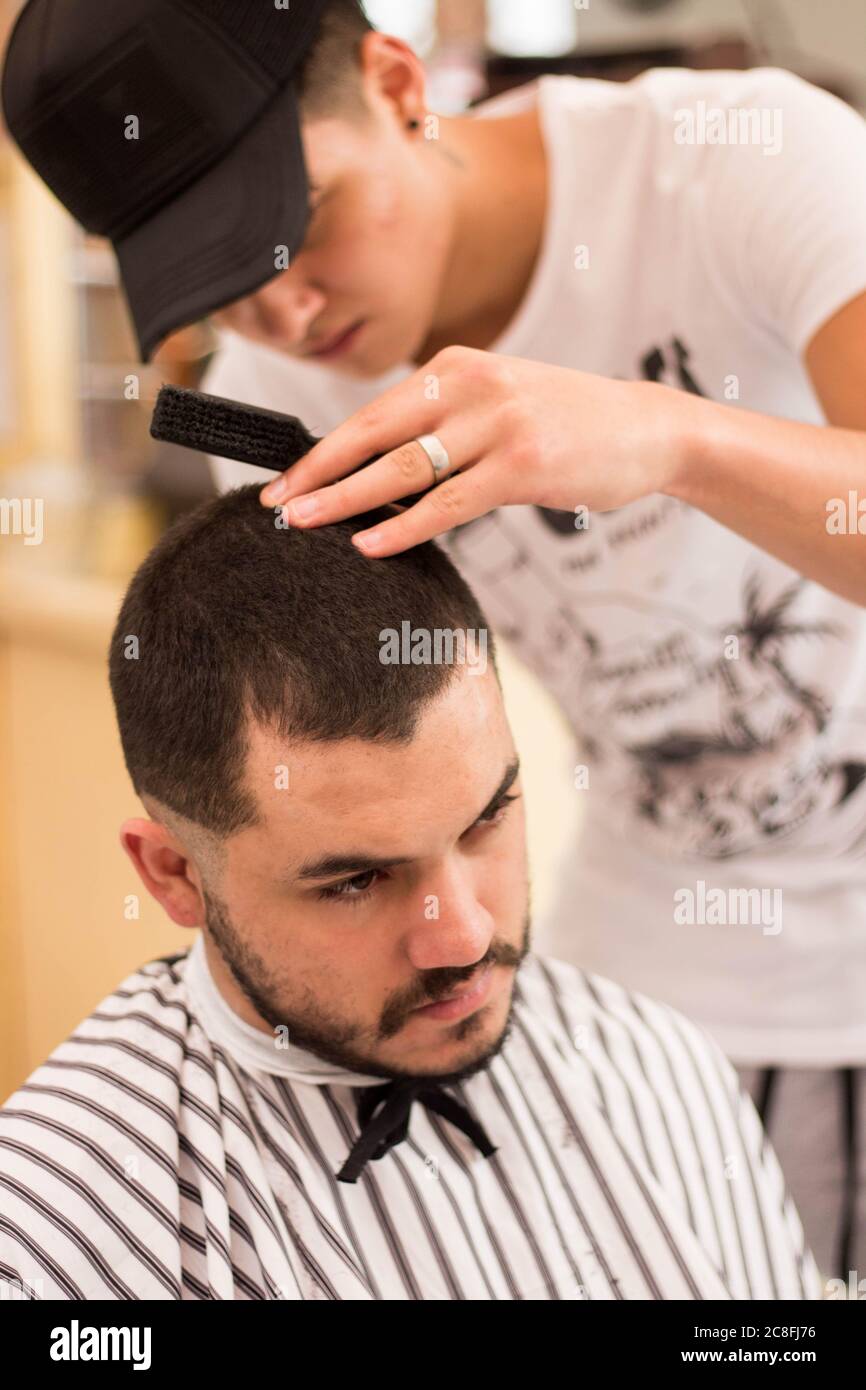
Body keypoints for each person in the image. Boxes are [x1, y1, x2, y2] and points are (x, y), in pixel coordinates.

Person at [2, 0, 865, 1277]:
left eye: (297, 232)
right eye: (219, 281)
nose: (282, 314)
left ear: (398, 82)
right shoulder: (272, 402)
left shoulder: (737, 165)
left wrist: (671, 441)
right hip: (656, 947)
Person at [0, 486, 821, 1300]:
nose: (463, 937)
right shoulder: (53, 1230)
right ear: (173, 875)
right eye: (356, 880)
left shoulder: (657, 1068)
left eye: (486, 820)